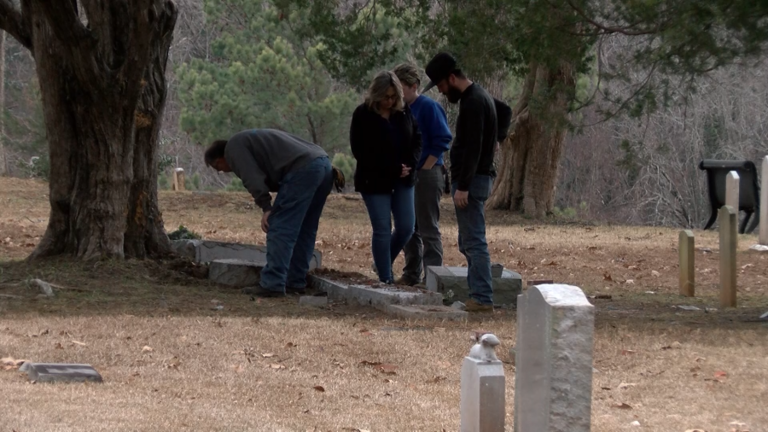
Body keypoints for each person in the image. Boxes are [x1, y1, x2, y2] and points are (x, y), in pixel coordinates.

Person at [204, 128, 343, 298]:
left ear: (221, 157)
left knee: (279, 226)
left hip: (304, 169)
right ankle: (295, 281)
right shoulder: (249, 142)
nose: (221, 171)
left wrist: (266, 207)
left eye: (217, 166)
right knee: (304, 229)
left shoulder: (233, 148)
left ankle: (273, 284)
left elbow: (252, 177)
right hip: (324, 166)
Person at [422, 52, 498, 312]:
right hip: (478, 177)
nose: (443, 92)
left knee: (474, 241)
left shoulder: (473, 102)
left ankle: (482, 297)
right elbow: (505, 113)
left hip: (473, 181)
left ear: (452, 78)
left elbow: (473, 148)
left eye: (442, 86)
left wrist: (463, 185)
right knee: (467, 241)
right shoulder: (480, 96)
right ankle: (478, 292)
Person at [350, 70, 422, 284]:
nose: (389, 101)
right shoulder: (363, 115)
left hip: (404, 177)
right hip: (374, 180)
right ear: (376, 94)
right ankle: (385, 278)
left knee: (406, 227)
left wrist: (411, 163)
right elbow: (361, 151)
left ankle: (382, 260)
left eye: (393, 97)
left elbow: (416, 137)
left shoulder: (403, 111)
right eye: (386, 97)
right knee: (382, 228)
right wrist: (391, 168)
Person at [392, 63, 453, 286]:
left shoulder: (428, 107)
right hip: (407, 175)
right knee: (408, 226)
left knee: (428, 228)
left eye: (401, 88)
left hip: (428, 174)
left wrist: (426, 166)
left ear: (413, 86)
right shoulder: (400, 111)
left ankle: (433, 278)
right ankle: (411, 273)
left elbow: (443, 139)